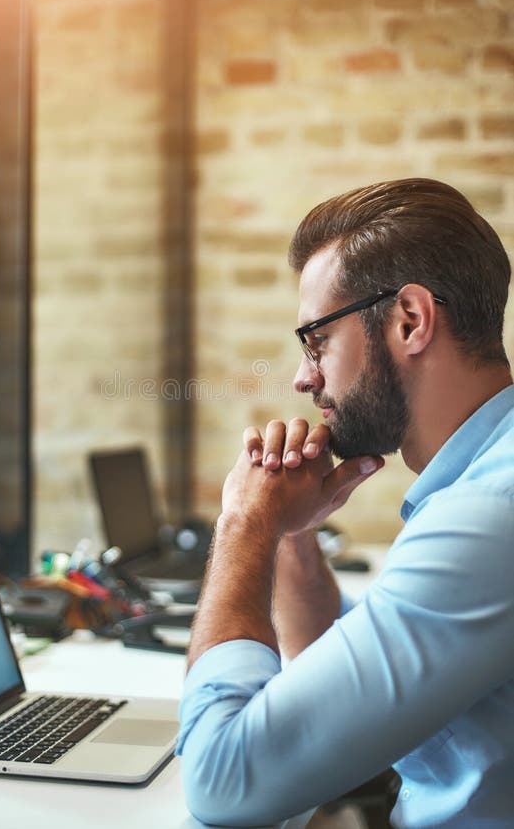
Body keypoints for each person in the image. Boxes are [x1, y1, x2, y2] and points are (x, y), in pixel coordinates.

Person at [176, 178, 514, 828]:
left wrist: (244, 519)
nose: (304, 378)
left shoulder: (486, 515)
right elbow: (332, 666)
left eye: (316, 341)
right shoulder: (485, 478)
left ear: (408, 321)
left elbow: (221, 783)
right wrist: (290, 535)